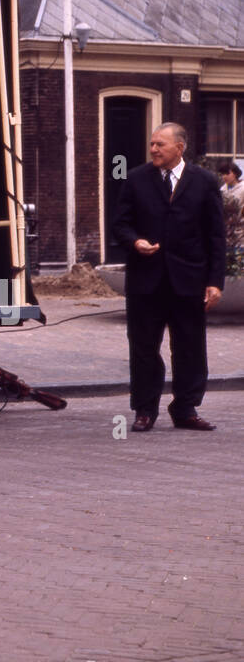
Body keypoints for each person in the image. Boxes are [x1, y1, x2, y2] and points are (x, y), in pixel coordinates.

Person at [111, 122, 225, 431]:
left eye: (160, 144)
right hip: (146, 282)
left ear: (180, 147)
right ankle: (145, 410)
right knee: (144, 348)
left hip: (189, 281)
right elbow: (119, 224)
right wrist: (135, 242)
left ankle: (185, 409)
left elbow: (216, 235)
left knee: (189, 347)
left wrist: (215, 281)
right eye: (151, 144)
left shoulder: (205, 182)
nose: (153, 150)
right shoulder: (135, 179)